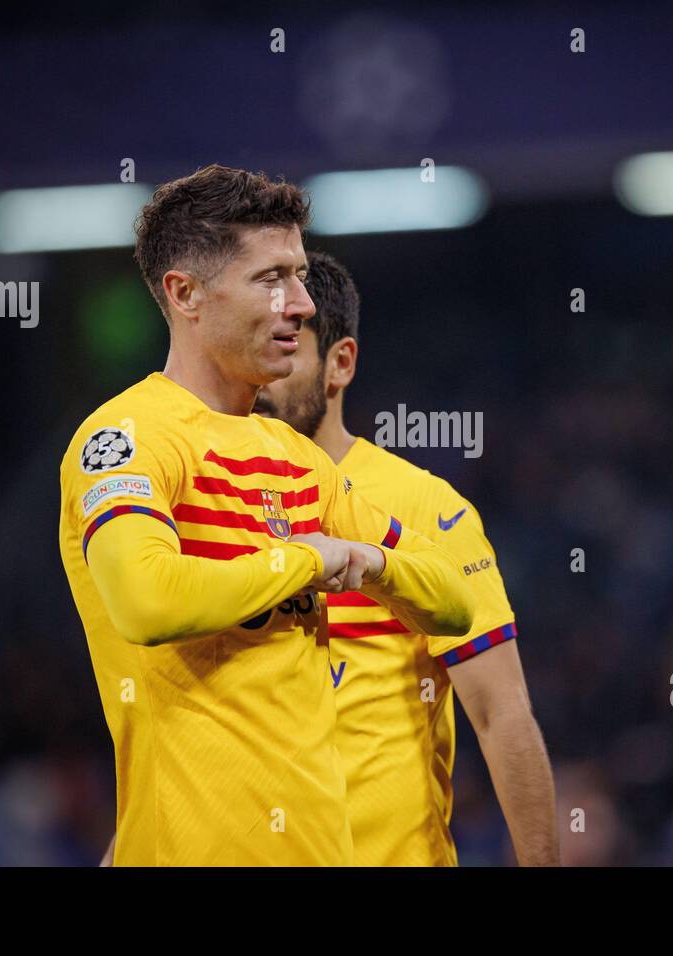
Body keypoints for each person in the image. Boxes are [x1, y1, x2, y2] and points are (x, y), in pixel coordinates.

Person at [59, 164, 475, 866]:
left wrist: (370, 561)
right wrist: (311, 559)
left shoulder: (298, 459)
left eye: (302, 276)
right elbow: (146, 601)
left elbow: (454, 603)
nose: (303, 303)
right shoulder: (129, 439)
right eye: (271, 278)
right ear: (185, 293)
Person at [253, 251, 559, 866]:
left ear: (339, 363)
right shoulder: (222, 502)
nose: (262, 373)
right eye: (254, 346)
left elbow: (501, 715)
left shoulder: (426, 509)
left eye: (286, 348)